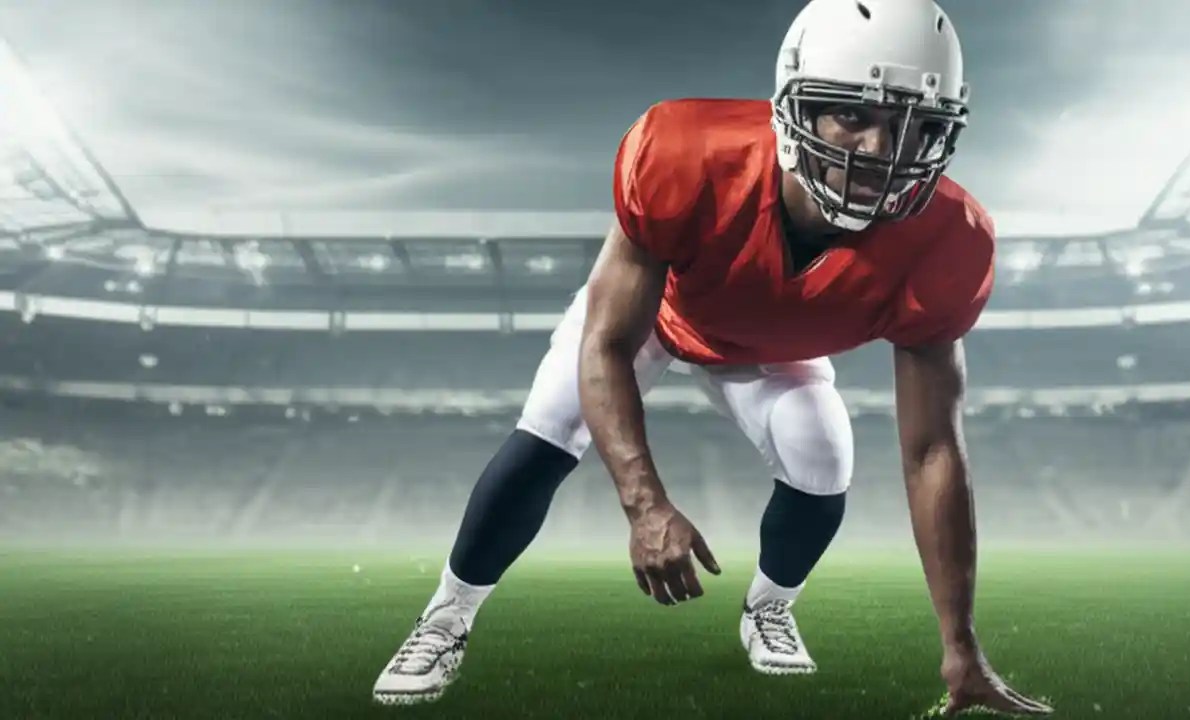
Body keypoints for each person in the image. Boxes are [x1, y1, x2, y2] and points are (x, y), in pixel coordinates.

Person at [374, 0, 1052, 715]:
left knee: (824, 461)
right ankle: (447, 614)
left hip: (776, 350)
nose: (882, 150)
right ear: (794, 104)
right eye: (853, 115)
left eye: (916, 126)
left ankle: (769, 608)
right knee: (548, 429)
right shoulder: (685, 150)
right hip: (658, 318)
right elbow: (605, 342)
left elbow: (933, 450)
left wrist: (960, 642)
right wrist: (646, 507)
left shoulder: (952, 238)